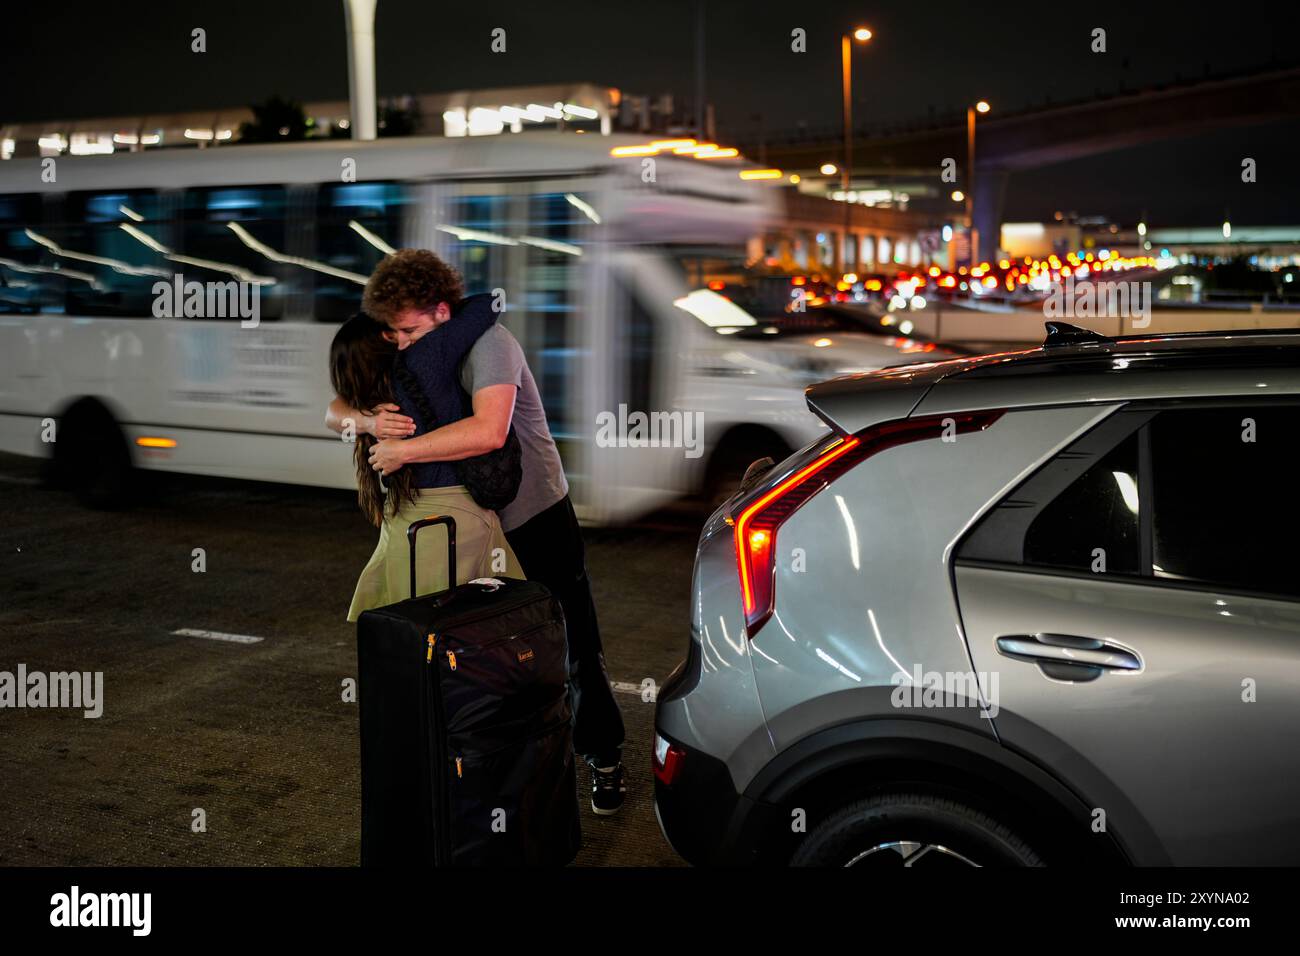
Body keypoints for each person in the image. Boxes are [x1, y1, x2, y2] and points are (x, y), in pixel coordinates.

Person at [360, 249, 628, 816]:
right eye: (394, 335)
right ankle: (508, 766)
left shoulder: (490, 344)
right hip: (476, 522)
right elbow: (334, 406)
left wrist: (401, 450)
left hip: (535, 514)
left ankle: (603, 757)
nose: (401, 344)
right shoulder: (424, 349)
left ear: (439, 310)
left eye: (408, 330)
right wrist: (364, 422)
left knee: (572, 641)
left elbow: (488, 429)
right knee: (488, 649)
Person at [327, 296, 521, 623]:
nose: (404, 339)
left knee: (411, 633)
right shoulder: (425, 361)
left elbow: (331, 412)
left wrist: (368, 422)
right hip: (453, 519)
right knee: (462, 630)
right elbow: (488, 304)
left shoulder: (368, 396)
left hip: (401, 517)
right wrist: (433, 306)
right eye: (394, 332)